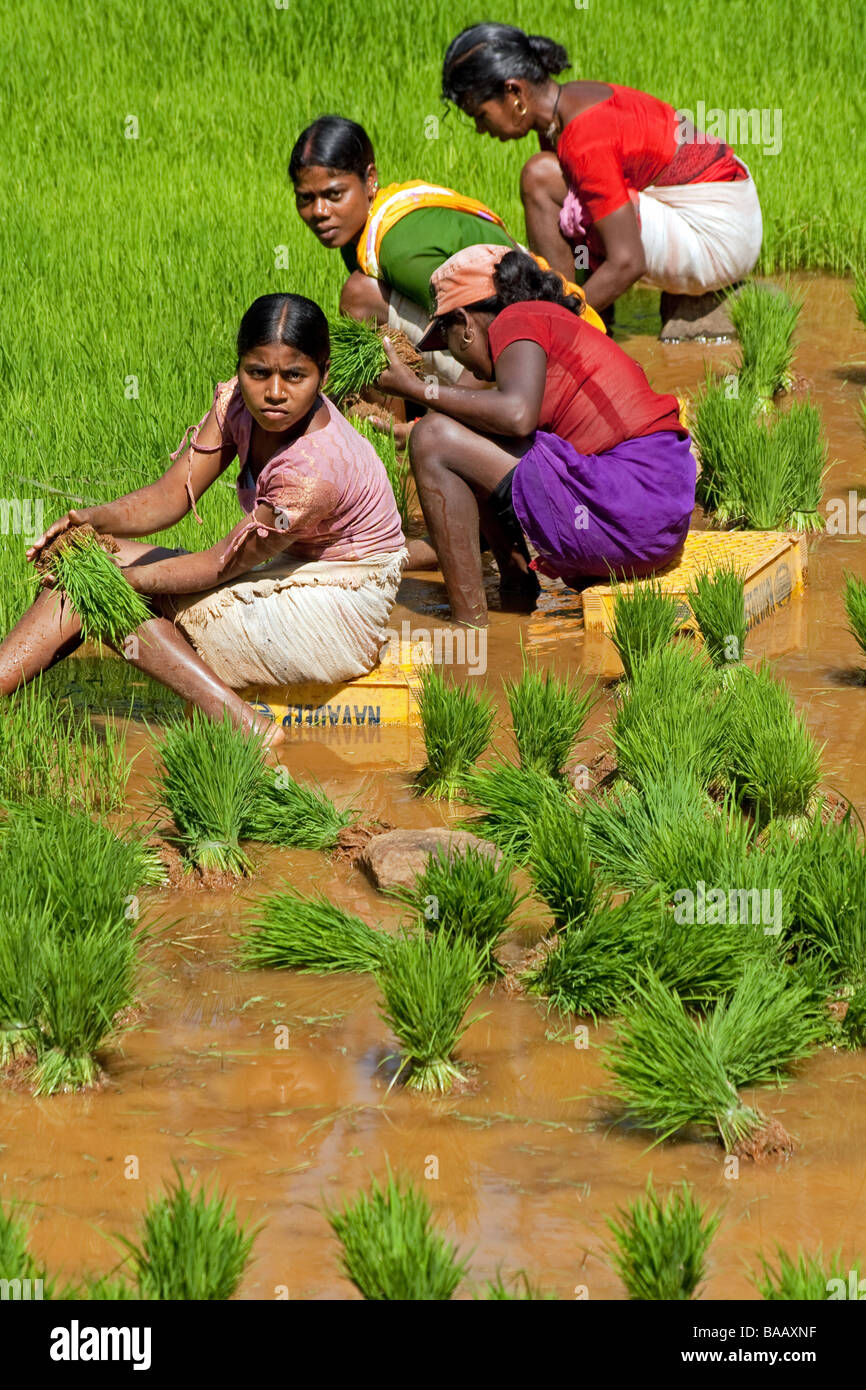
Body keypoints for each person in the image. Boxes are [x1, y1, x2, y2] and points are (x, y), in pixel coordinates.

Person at [0, 294, 407, 744]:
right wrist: (91, 521)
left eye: (295, 376)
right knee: (89, 561)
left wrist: (123, 581)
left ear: (323, 375)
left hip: (341, 605)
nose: (274, 392)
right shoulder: (237, 404)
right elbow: (171, 495)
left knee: (106, 589)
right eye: (258, 372)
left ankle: (242, 723)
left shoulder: (314, 470)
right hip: (292, 572)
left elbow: (221, 564)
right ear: (240, 369)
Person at [373, 245, 695, 626]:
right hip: (660, 520)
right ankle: (516, 591)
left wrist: (414, 390)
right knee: (461, 434)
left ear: (464, 322)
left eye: (447, 340)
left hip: (629, 509)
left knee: (432, 438)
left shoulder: (516, 319)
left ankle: (470, 627)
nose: (458, 362)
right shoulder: (550, 322)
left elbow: (516, 416)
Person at [440, 23, 763, 340]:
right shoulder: (570, 102)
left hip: (718, 236)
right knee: (561, 183)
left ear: (514, 93)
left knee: (540, 177)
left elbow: (627, 261)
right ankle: (586, 315)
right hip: (731, 210)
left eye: (481, 115)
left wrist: (559, 324)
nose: (482, 130)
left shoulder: (584, 137)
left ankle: (562, 317)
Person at [289, 114, 605, 392]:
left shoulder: (394, 246)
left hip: (553, 361)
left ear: (370, 180)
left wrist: (446, 415)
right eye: (305, 199)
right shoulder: (379, 220)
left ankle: (397, 439)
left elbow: (490, 325)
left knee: (360, 297)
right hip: (562, 336)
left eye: (334, 195)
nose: (319, 211)